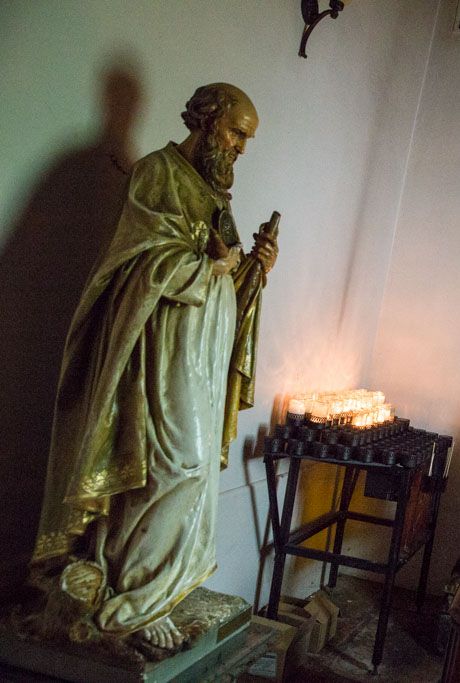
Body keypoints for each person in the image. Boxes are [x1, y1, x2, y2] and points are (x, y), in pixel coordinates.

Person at [30, 83, 278, 651]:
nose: (241, 147)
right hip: (157, 353)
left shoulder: (216, 195)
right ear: (207, 120)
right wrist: (206, 262)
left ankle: (156, 588)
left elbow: (221, 281)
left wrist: (252, 271)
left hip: (202, 352)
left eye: (247, 138)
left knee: (191, 473)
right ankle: (133, 593)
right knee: (172, 465)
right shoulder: (155, 175)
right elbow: (131, 269)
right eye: (237, 132)